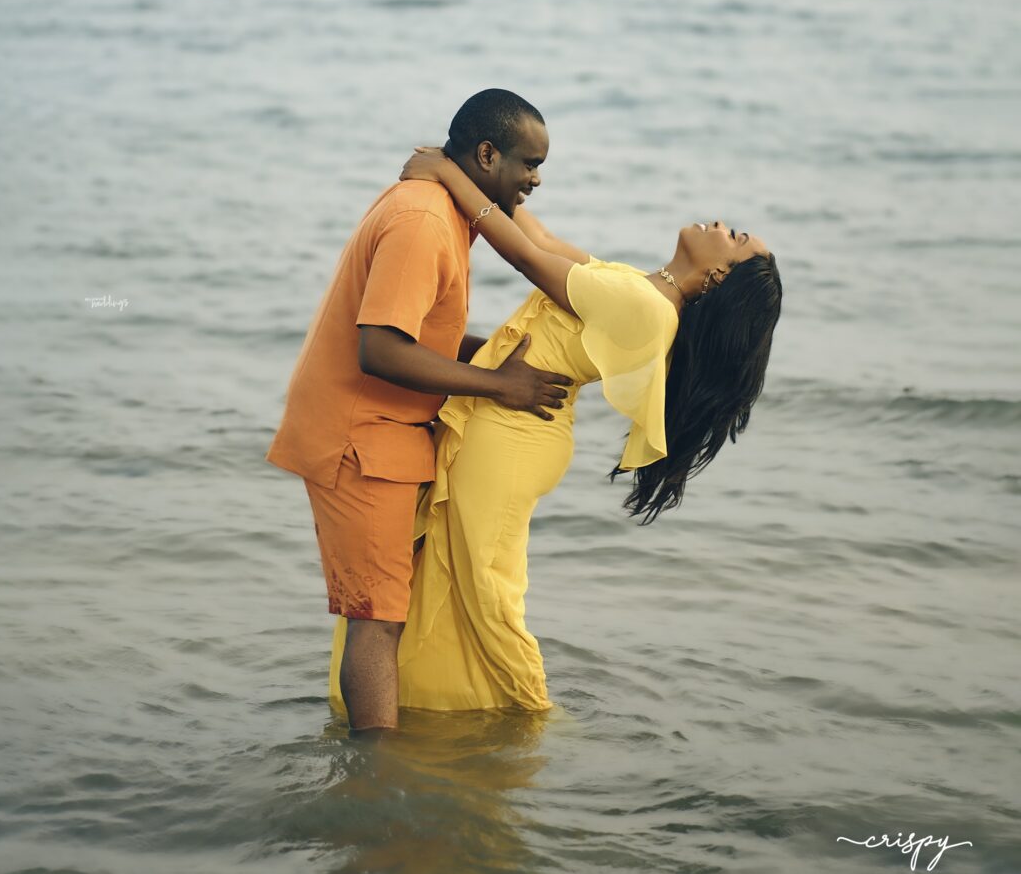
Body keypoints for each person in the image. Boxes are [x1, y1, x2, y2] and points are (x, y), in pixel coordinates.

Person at [328, 148, 782, 713]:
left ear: (718, 278)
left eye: (734, 236)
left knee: (485, 587)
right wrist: (472, 167)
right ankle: (438, 707)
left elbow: (522, 255)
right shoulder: (640, 286)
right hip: (510, 427)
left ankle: (527, 711)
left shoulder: (645, 306)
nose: (720, 225)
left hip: (512, 438)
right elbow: (536, 236)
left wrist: (446, 173)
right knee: (459, 576)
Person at [266, 91, 574, 733]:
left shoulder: (445, 211)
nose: (536, 179)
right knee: (377, 620)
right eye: (529, 164)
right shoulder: (424, 222)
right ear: (486, 155)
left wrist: (492, 363)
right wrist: (499, 387)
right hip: (358, 437)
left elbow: (419, 334)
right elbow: (379, 348)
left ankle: (386, 759)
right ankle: (375, 778)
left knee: (385, 609)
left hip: (388, 433)